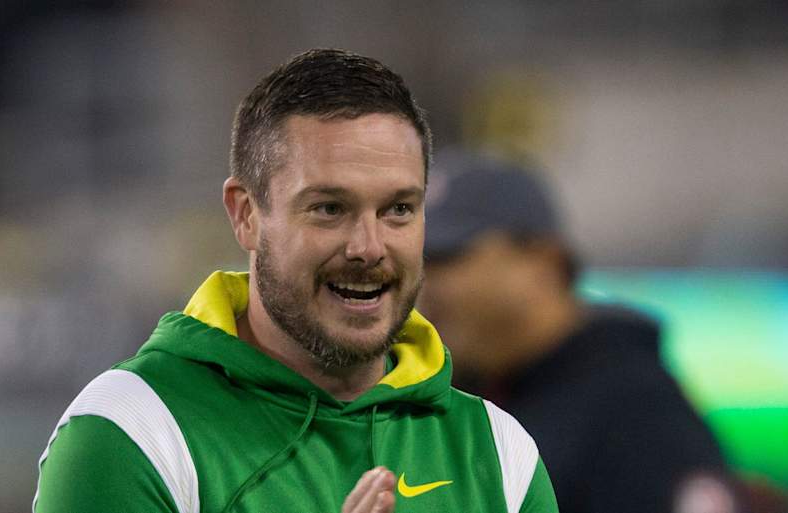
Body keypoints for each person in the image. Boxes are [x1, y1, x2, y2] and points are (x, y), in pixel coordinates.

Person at [33, 50, 558, 513]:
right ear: (246, 215)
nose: (369, 247)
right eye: (329, 208)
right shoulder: (133, 433)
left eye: (398, 209)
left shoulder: (499, 452)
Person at [419, 149, 730, 513]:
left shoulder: (636, 414)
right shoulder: (462, 399)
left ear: (543, 261)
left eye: (446, 257)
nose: (425, 283)